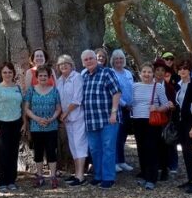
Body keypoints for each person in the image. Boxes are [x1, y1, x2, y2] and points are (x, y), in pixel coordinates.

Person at [80, 48, 121, 189]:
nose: (89, 61)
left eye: (91, 58)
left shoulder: (106, 72)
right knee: (95, 149)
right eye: (86, 60)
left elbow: (116, 92)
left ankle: (108, 177)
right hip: (91, 120)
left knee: (108, 148)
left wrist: (114, 112)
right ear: (83, 63)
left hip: (108, 119)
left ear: (95, 59)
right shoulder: (84, 76)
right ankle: (98, 175)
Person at [130, 63, 171, 190]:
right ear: (140, 73)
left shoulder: (157, 87)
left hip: (151, 122)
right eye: (144, 72)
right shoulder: (134, 86)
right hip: (137, 121)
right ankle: (144, 174)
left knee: (151, 149)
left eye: (149, 72)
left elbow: (167, 104)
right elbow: (130, 101)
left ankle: (152, 178)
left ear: (152, 74)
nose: (146, 74)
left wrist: (157, 108)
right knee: (141, 148)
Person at [24, 64, 62, 188]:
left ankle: (53, 177)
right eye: (40, 75)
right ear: (37, 77)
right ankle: (39, 176)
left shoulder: (54, 90)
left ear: (49, 77)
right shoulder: (31, 90)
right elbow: (26, 108)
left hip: (51, 126)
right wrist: (37, 119)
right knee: (38, 152)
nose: (43, 77)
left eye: (45, 75)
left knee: (52, 151)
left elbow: (58, 108)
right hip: (36, 126)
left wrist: (52, 118)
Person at [0, 61, 24, 191]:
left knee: (13, 152)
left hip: (16, 124)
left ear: (13, 73)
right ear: (1, 74)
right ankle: (2, 182)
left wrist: (24, 123)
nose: (7, 74)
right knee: (2, 153)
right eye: (5, 72)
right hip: (1, 124)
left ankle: (11, 181)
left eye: (10, 72)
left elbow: (21, 106)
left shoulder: (17, 88)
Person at [56, 54, 88, 186]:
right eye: (61, 64)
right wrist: (61, 113)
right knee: (73, 146)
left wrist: (66, 112)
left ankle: (81, 176)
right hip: (66, 119)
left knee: (80, 145)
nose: (63, 66)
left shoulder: (77, 77)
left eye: (66, 63)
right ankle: (76, 173)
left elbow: (77, 99)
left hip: (77, 117)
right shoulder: (60, 80)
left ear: (71, 65)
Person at [174, 58, 192, 194]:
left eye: (185, 68)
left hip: (190, 123)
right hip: (180, 123)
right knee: (185, 152)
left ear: (189, 69)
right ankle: (190, 179)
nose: (182, 70)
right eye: (180, 68)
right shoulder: (178, 85)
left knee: (187, 150)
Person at [110, 49, 135, 172]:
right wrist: (124, 104)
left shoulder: (128, 73)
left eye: (120, 58)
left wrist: (132, 104)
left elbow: (133, 89)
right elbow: (113, 92)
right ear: (112, 61)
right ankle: (114, 162)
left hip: (129, 109)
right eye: (116, 58)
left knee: (123, 136)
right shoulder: (111, 73)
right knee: (116, 136)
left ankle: (121, 161)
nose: (119, 60)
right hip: (117, 108)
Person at [153, 58, 179, 179]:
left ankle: (166, 169)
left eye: (162, 70)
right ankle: (155, 167)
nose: (159, 72)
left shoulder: (169, 88)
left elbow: (174, 104)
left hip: (165, 120)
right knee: (153, 145)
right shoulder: (148, 85)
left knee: (167, 144)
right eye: (157, 70)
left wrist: (171, 106)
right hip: (151, 120)